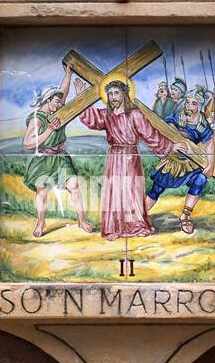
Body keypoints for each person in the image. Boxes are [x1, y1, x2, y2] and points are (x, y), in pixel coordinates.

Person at [74, 74, 173, 240]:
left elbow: (149, 134)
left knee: (133, 191)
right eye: (110, 93)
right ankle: (113, 228)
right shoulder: (107, 115)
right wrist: (81, 96)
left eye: (116, 93)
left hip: (131, 157)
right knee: (115, 191)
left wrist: (169, 146)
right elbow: (90, 118)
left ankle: (138, 225)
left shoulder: (135, 114)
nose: (113, 97)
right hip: (114, 157)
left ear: (124, 94)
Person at [22, 65, 94, 238]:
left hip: (61, 157)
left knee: (74, 185)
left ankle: (82, 220)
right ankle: (40, 222)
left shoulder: (58, 111)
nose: (61, 104)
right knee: (42, 191)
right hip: (44, 158)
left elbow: (63, 91)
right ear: (48, 100)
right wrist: (49, 131)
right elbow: (27, 143)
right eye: (57, 101)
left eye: (61, 102)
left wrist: (68, 74)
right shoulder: (37, 118)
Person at [145, 93, 215, 234]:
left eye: (193, 103)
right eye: (187, 102)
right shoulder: (178, 116)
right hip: (173, 160)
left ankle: (186, 215)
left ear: (200, 106)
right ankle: (141, 215)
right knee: (157, 187)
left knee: (200, 180)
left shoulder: (202, 124)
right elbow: (165, 127)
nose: (189, 106)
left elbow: (209, 144)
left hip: (191, 162)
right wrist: (176, 138)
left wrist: (211, 164)